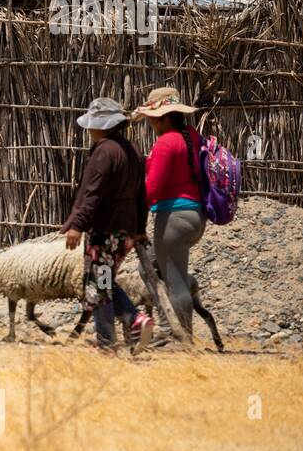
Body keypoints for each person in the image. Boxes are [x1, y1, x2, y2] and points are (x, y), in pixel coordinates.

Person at [61, 97, 154, 352]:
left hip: (104, 231)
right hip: (125, 232)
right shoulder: (134, 151)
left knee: (99, 285)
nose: (89, 130)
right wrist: (140, 230)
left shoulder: (104, 151)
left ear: (102, 125)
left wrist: (77, 225)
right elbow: (140, 195)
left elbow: (92, 193)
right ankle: (117, 333)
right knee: (104, 281)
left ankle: (126, 326)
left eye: (92, 124)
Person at [133, 87, 205, 340]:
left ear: (165, 117)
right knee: (149, 268)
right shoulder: (192, 137)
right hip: (194, 215)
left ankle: (183, 339)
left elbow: (152, 187)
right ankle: (168, 325)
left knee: (175, 282)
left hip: (172, 217)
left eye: (154, 117)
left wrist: (134, 216)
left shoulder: (166, 142)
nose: (150, 122)